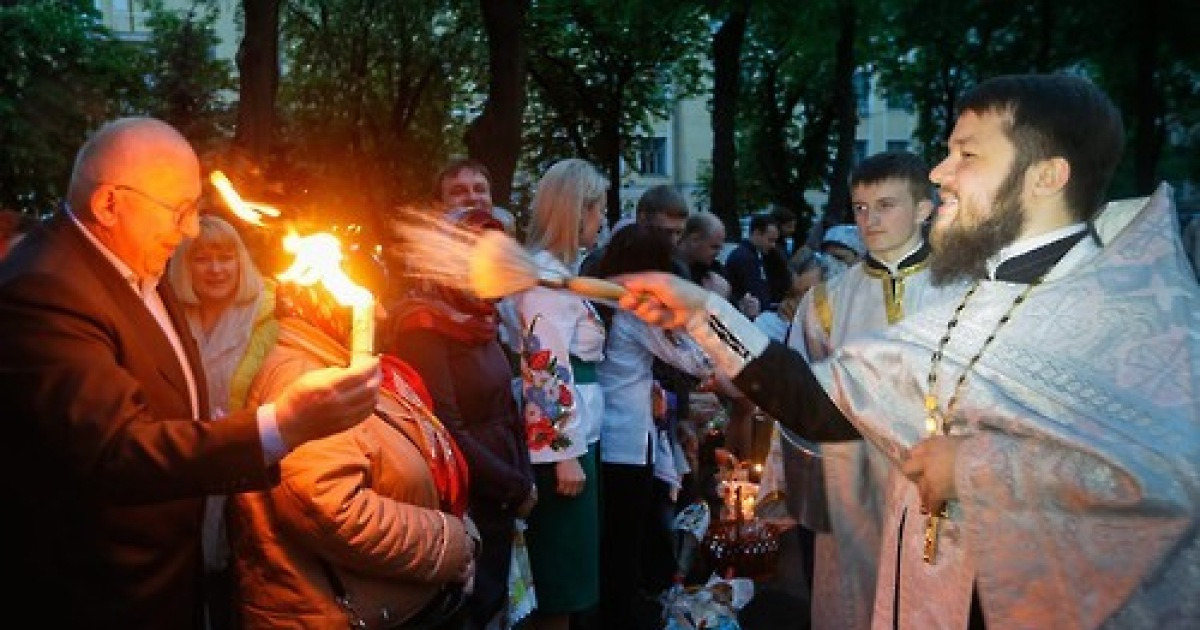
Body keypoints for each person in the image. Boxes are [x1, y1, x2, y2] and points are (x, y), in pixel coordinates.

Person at [615, 74, 1198, 628]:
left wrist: (971, 468)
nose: (941, 172)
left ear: (1045, 176)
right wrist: (700, 313)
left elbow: (1173, 478)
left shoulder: (1130, 310)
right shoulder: (980, 294)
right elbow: (828, 405)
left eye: (968, 155)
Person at [0, 116, 382, 629]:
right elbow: (117, 451)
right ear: (110, 203)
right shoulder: (45, 289)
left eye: (196, 210)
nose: (191, 230)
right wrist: (280, 425)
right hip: (102, 596)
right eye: (179, 211)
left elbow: (161, 394)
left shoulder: (136, 265)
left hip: (173, 578)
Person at [230, 248, 477, 629]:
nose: (379, 314)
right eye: (368, 300)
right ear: (325, 302)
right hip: (339, 612)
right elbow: (331, 507)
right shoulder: (303, 377)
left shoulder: (333, 362)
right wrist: (450, 543)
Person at [788, 150, 955, 630]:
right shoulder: (827, 300)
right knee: (852, 601)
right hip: (853, 479)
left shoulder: (965, 288)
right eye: (860, 208)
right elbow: (800, 394)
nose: (870, 219)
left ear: (925, 208)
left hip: (936, 481)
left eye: (886, 205)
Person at [386, 208, 537, 629]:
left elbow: (505, 407)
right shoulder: (424, 324)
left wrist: (521, 478)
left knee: (493, 606)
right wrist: (512, 484)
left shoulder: (481, 318)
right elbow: (444, 427)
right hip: (466, 495)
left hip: (500, 489)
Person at [498, 158, 608, 630]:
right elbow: (546, 366)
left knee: (570, 570)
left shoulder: (557, 273)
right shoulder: (545, 281)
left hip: (576, 433)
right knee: (560, 576)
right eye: (599, 210)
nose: (603, 220)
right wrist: (564, 454)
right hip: (564, 443)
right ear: (577, 211)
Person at [589, 224, 714, 630]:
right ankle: (619, 618)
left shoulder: (598, 297)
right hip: (626, 437)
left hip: (603, 433)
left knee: (613, 537)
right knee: (625, 540)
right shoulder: (637, 312)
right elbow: (699, 362)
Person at [167, 214, 278, 629]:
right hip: (186, 464)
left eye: (225, 257)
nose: (216, 269)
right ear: (184, 265)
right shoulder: (172, 313)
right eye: (202, 258)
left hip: (248, 470)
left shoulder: (266, 314)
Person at [436, 157, 515, 234]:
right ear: (440, 204)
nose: (472, 198)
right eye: (458, 192)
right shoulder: (431, 239)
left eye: (480, 190)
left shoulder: (505, 222)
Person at [724, 212, 781, 318]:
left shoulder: (751, 255)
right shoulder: (745, 258)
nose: (773, 245)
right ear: (757, 233)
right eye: (770, 240)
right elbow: (755, 291)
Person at [676, 210, 730, 296]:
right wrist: (715, 299)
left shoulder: (715, 269)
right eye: (714, 247)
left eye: (720, 248)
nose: (717, 253)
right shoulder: (666, 269)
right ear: (694, 239)